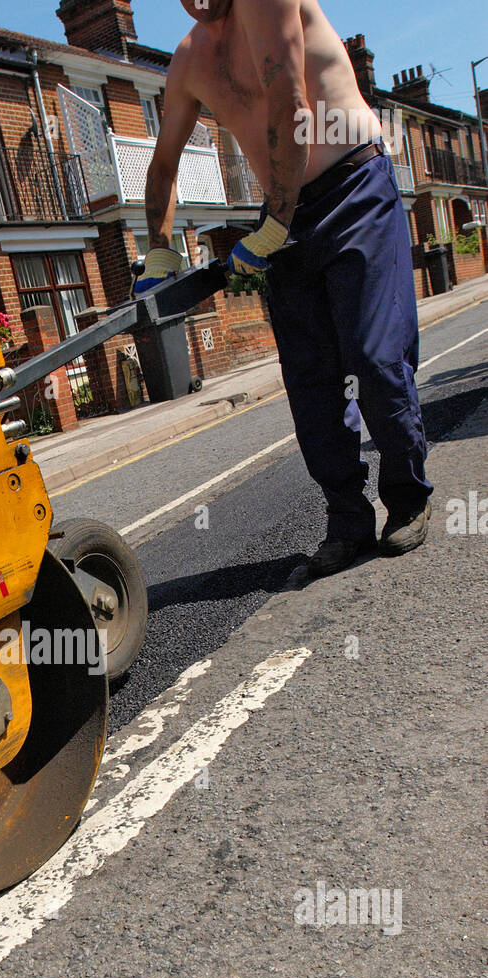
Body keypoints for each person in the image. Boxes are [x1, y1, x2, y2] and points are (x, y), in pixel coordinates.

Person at [137, 0, 432, 575]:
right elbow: (164, 163)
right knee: (310, 380)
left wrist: (273, 225)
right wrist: (158, 249)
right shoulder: (190, 58)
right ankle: (348, 519)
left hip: (354, 188)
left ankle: (407, 497)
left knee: (374, 359)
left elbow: (291, 106)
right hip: (284, 216)